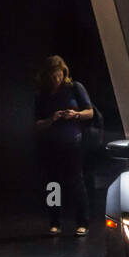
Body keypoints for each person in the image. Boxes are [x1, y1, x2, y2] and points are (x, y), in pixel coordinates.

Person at [34, 55, 94, 236]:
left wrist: (75, 114)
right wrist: (52, 119)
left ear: (64, 73)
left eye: (59, 75)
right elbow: (36, 123)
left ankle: (82, 223)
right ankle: (55, 222)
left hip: (73, 143)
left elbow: (89, 112)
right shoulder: (42, 95)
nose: (56, 79)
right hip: (51, 145)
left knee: (77, 183)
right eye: (53, 76)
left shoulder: (74, 88)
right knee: (53, 185)